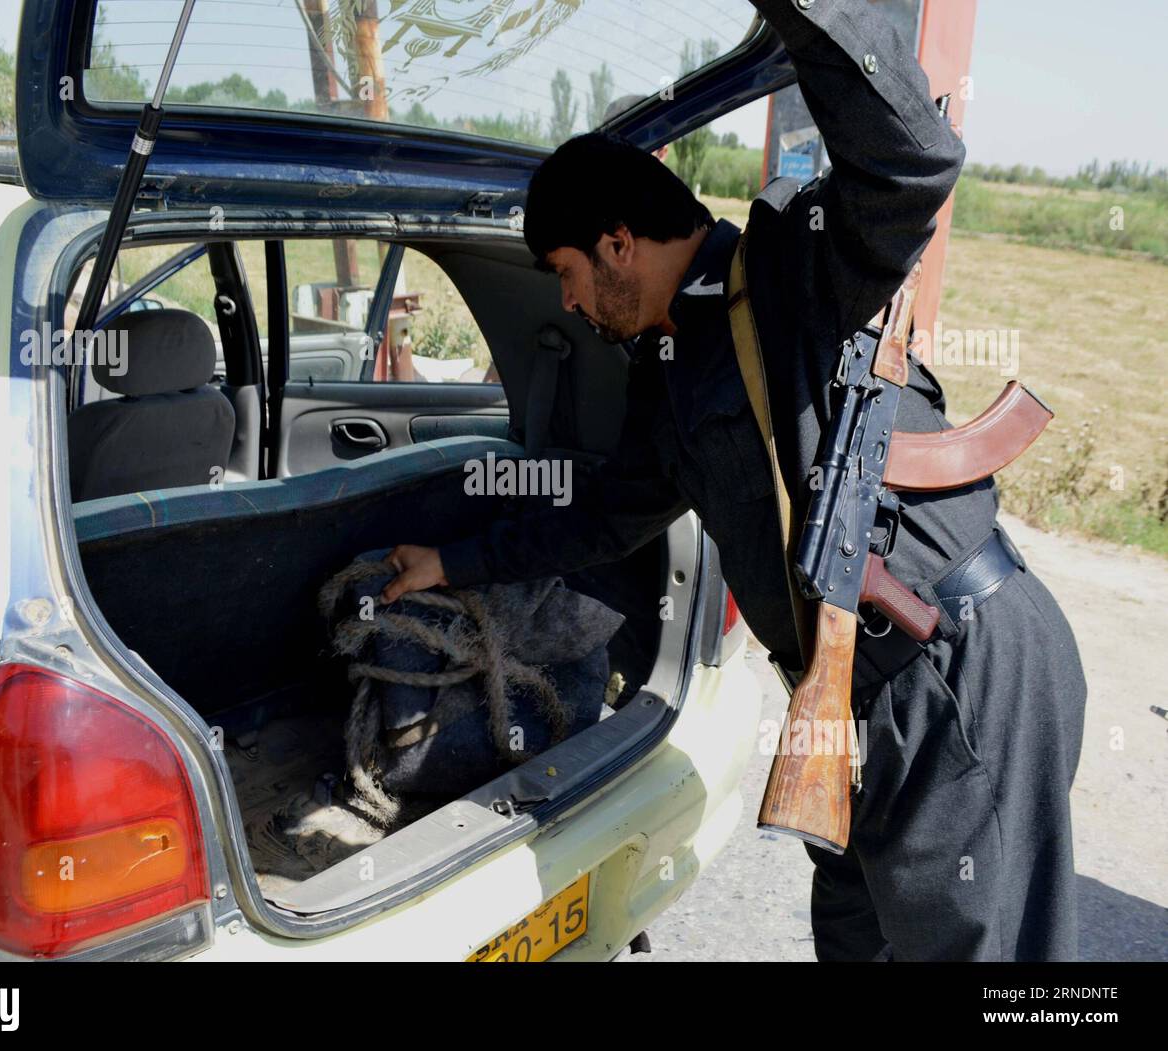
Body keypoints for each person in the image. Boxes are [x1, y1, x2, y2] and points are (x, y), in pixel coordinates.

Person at [380, 0, 1087, 962]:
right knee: (855, 940)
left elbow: (912, 164)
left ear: (618, 242)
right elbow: (599, 523)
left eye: (565, 272)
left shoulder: (800, 266)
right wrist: (449, 562)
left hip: (951, 669)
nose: (569, 301)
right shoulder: (666, 371)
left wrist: (807, 12)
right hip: (843, 704)